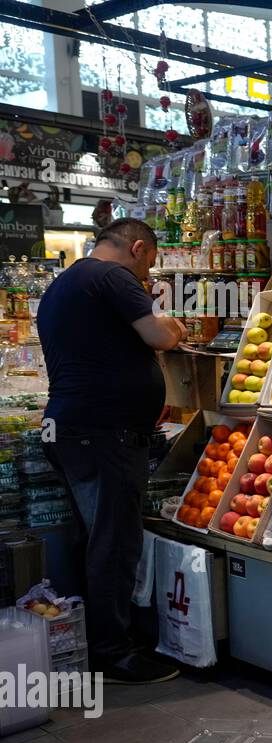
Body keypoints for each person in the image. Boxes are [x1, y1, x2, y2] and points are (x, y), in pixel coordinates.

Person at [37, 218, 186, 684]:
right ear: (138, 249)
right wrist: (175, 327)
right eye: (149, 267)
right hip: (104, 434)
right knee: (113, 543)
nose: (145, 279)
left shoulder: (66, 283)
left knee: (96, 539)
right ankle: (114, 653)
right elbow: (159, 336)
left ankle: (102, 639)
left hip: (72, 429)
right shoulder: (111, 276)